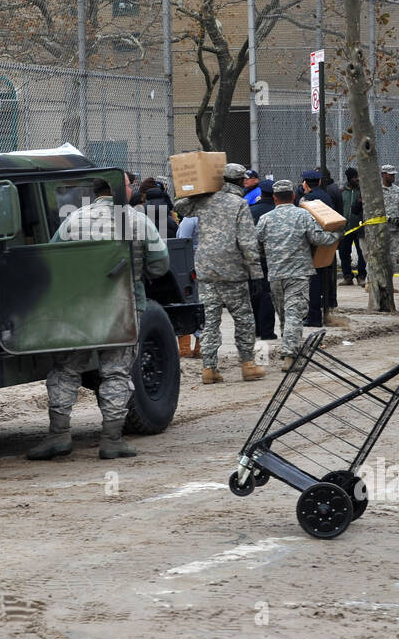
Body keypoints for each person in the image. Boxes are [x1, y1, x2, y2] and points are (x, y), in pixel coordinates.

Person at [29, 173, 170, 460]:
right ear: (122, 187)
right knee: (116, 371)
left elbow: (53, 260)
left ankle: (58, 435)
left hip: (78, 310)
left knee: (66, 370)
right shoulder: (138, 220)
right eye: (130, 184)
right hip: (124, 308)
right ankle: (111, 439)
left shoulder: (73, 220)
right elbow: (160, 265)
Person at [174, 162, 265, 384]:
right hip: (233, 270)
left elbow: (179, 206)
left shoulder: (204, 201)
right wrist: (256, 273)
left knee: (210, 320)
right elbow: (247, 241)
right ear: (242, 181)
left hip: (206, 269)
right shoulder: (240, 204)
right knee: (243, 318)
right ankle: (248, 364)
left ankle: (209, 368)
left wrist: (200, 190)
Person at [257, 180, 341, 371]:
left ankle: (289, 350)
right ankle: (290, 356)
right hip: (298, 274)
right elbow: (318, 238)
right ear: (293, 196)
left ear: (275, 198)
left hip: (275, 275)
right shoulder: (303, 215)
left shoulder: (265, 219)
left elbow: (256, 245)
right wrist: (337, 236)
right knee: (294, 315)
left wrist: (269, 255)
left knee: (285, 315)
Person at [299, 169, 345, 329]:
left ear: (305, 183)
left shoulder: (308, 200)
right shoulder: (325, 196)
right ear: (319, 182)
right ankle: (327, 307)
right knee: (324, 277)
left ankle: (313, 315)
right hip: (329, 240)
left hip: (314, 245)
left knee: (313, 281)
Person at [249, 179, 277, 341]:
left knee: (254, 293)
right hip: (271, 259)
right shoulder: (274, 211)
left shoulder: (251, 210)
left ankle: (257, 329)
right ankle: (267, 331)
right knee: (267, 294)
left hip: (252, 257)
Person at [176, 213, 202, 359]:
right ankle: (199, 346)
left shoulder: (189, 220)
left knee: (184, 304)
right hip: (204, 266)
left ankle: (185, 348)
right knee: (201, 305)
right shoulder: (206, 216)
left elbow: (182, 245)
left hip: (189, 267)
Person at [339, 167, 367, 285]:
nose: (357, 179)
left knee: (362, 253)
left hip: (360, 227)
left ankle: (361, 276)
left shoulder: (362, 192)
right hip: (345, 228)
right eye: (355, 177)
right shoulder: (342, 192)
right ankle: (347, 276)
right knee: (344, 252)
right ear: (350, 178)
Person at [381, 164, 399, 261]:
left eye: (394, 175)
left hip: (394, 231)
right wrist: (389, 219)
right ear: (383, 175)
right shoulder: (378, 190)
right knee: (380, 256)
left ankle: (390, 276)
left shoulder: (397, 190)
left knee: (393, 256)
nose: (393, 177)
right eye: (390, 175)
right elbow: (376, 209)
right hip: (381, 230)